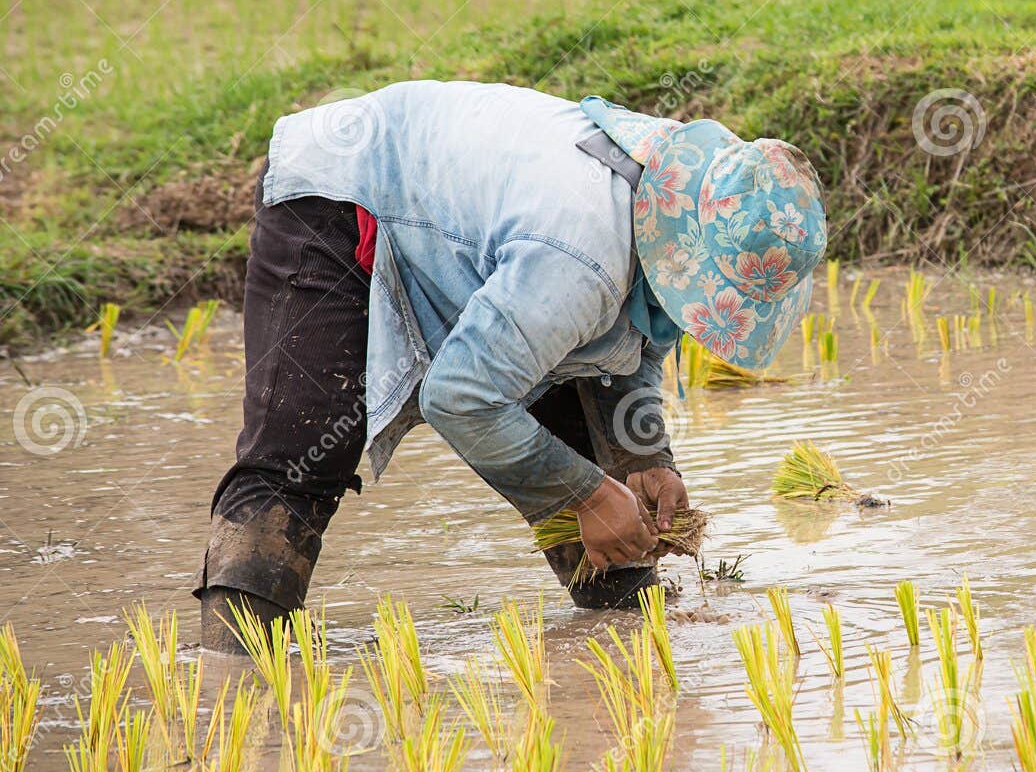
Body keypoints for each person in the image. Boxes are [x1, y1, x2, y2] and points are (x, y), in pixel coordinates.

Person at [194, 81, 826, 651]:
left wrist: (643, 457)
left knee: (595, 466)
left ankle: (626, 653)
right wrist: (585, 493)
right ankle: (234, 681)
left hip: (492, 240)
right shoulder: (578, 252)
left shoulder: (675, 199)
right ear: (684, 246)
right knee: (305, 452)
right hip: (343, 192)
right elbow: (461, 398)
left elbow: (637, 334)